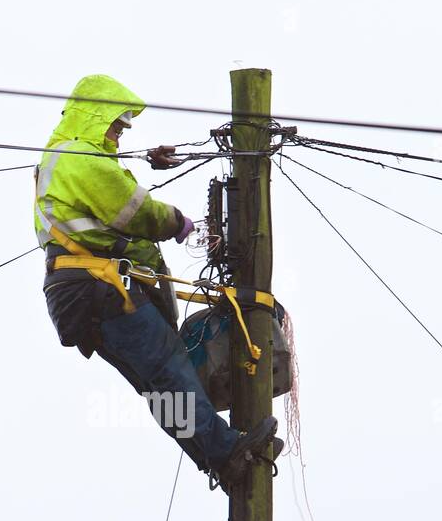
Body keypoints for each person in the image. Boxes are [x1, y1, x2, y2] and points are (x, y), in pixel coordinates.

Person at [35, 73, 281, 491]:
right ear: (94, 117)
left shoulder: (63, 159)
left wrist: (141, 158)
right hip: (99, 287)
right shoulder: (80, 157)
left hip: (76, 295)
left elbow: (106, 195)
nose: (118, 134)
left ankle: (219, 458)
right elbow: (133, 211)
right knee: (169, 369)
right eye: (116, 125)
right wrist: (177, 223)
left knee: (160, 388)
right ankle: (225, 451)